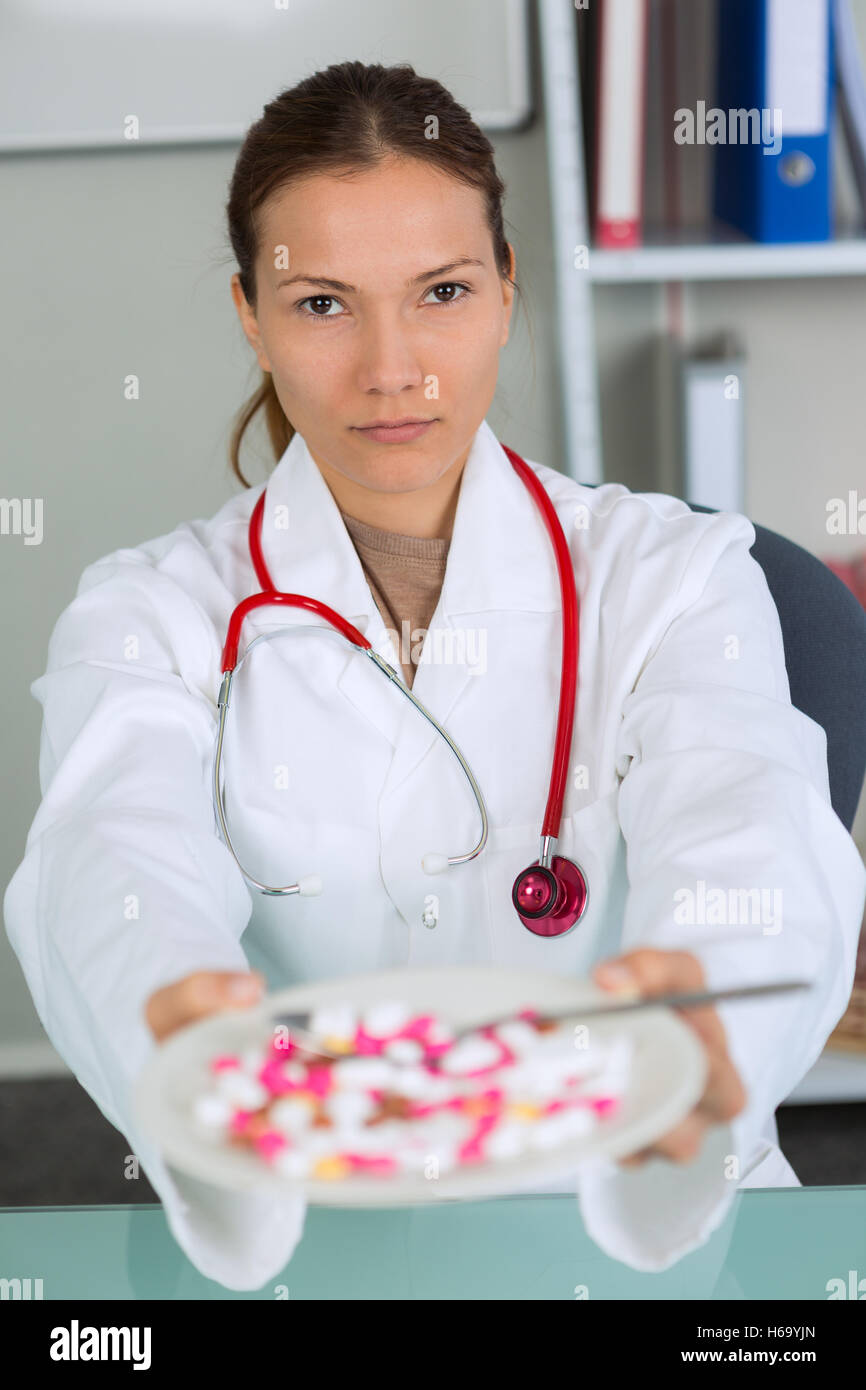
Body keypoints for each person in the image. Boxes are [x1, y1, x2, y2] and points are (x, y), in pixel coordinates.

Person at [5, 61, 865, 1292]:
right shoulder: (150, 612)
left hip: (641, 1233)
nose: (391, 368)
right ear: (249, 312)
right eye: (321, 305)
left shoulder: (672, 572)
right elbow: (109, 857)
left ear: (507, 290)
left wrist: (698, 1035)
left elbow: (747, 826)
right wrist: (190, 1050)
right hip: (306, 1231)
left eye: (442, 291)